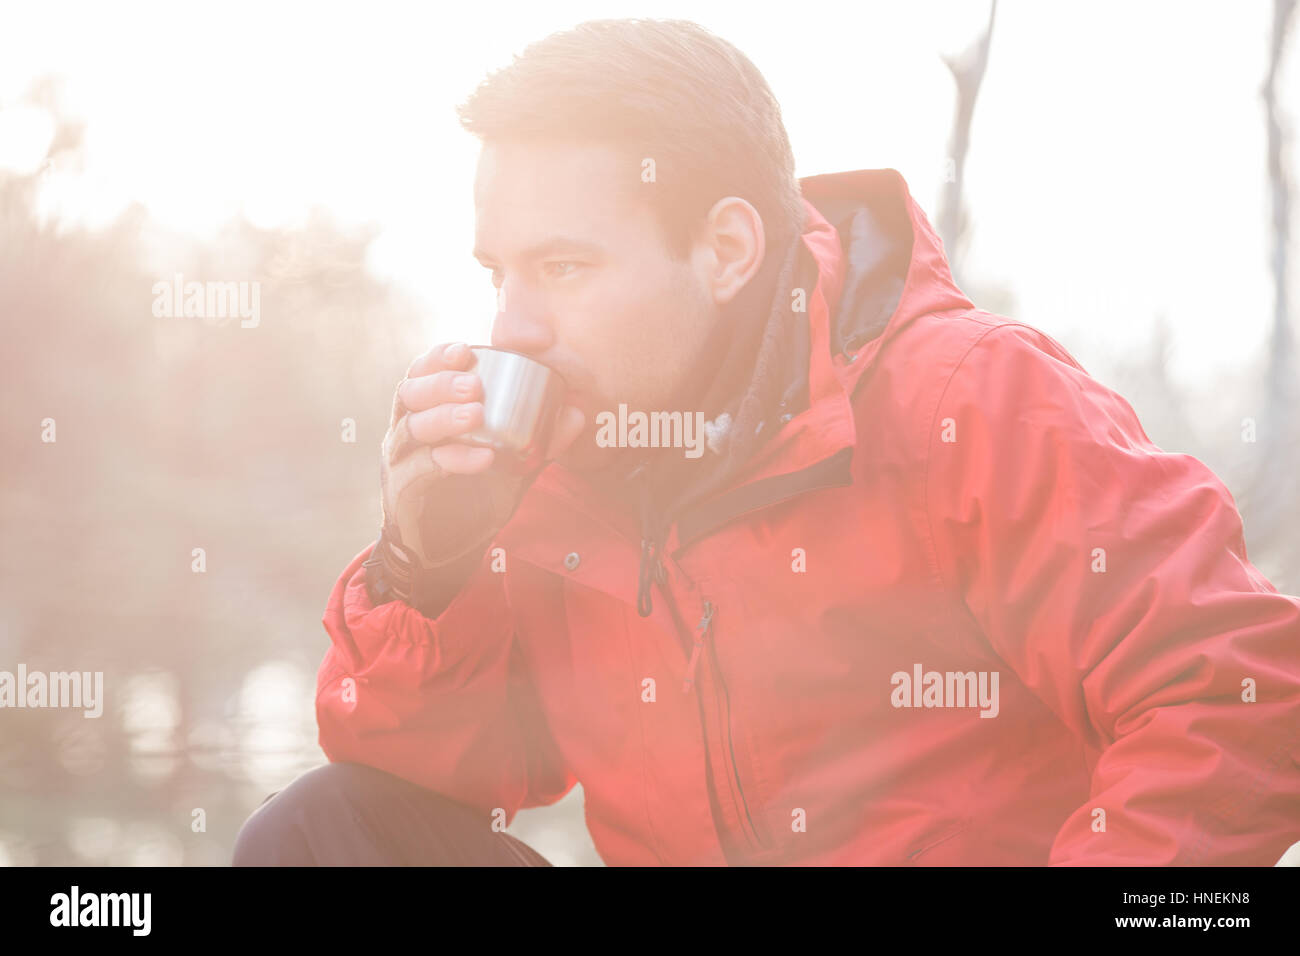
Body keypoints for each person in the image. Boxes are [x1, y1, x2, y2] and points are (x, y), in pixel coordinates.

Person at [233, 17, 1300, 867]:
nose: (512, 324)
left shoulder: (966, 399)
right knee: (320, 835)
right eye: (495, 271)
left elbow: (1237, 695)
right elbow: (437, 775)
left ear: (727, 248)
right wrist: (424, 565)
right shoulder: (551, 465)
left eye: (562, 267)